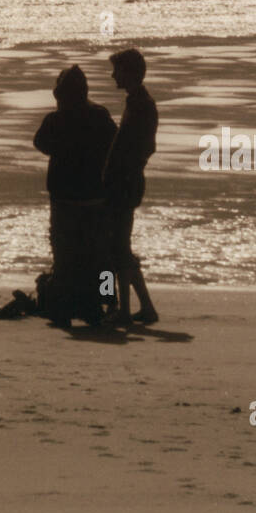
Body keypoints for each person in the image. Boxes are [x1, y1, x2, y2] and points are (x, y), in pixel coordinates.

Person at [33, 65, 117, 328]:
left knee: (64, 255)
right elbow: (114, 147)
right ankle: (105, 302)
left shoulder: (55, 120)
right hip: (95, 197)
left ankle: (62, 307)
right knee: (100, 256)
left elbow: (41, 144)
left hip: (65, 197)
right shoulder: (100, 115)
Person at [102, 49, 159, 326]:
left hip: (123, 184)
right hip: (127, 182)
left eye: (117, 70)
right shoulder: (139, 102)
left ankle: (119, 308)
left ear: (130, 73)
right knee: (119, 247)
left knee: (115, 249)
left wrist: (118, 176)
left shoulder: (140, 105)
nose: (113, 75)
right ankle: (143, 306)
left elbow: (139, 148)